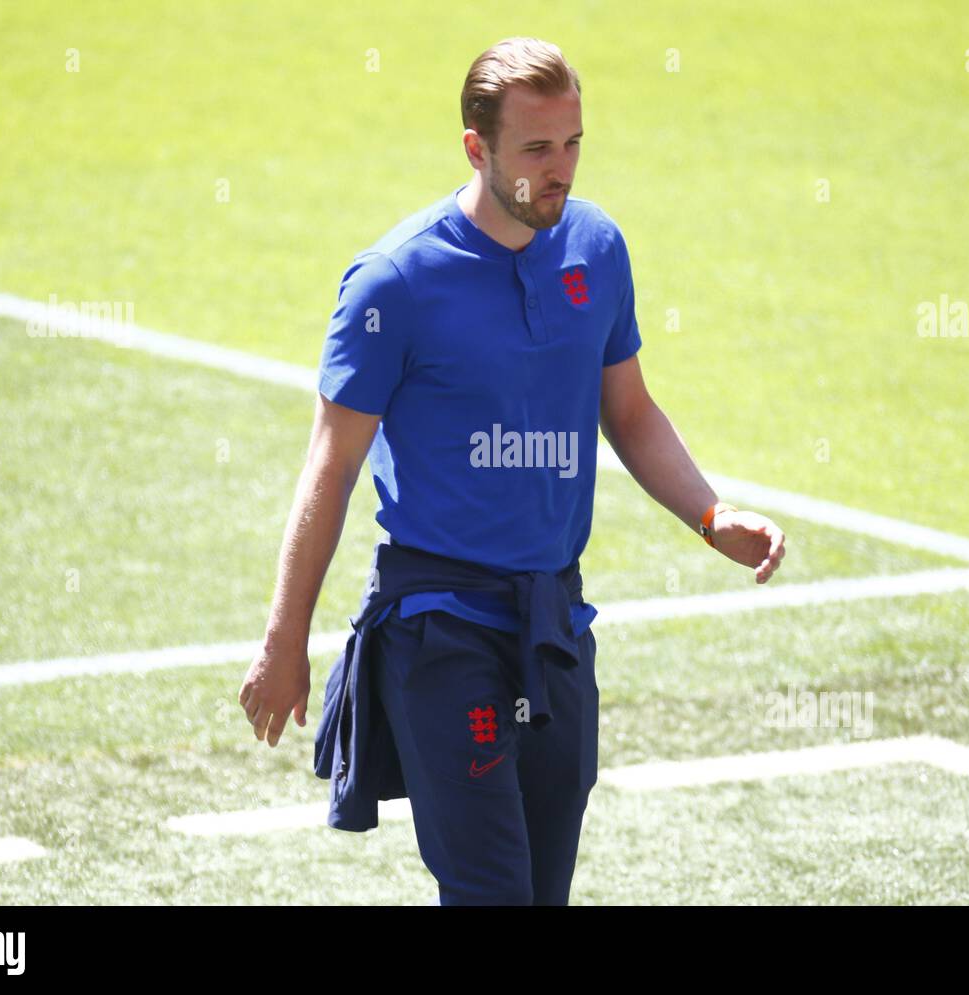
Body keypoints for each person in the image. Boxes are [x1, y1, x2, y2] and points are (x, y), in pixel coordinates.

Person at [238, 36, 786, 905]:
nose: (559, 169)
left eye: (572, 145)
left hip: (555, 623)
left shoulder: (596, 249)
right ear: (476, 148)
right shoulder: (394, 284)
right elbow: (331, 465)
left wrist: (711, 516)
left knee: (542, 890)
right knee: (492, 889)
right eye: (536, 149)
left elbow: (631, 412)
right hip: (441, 629)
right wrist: (283, 638)